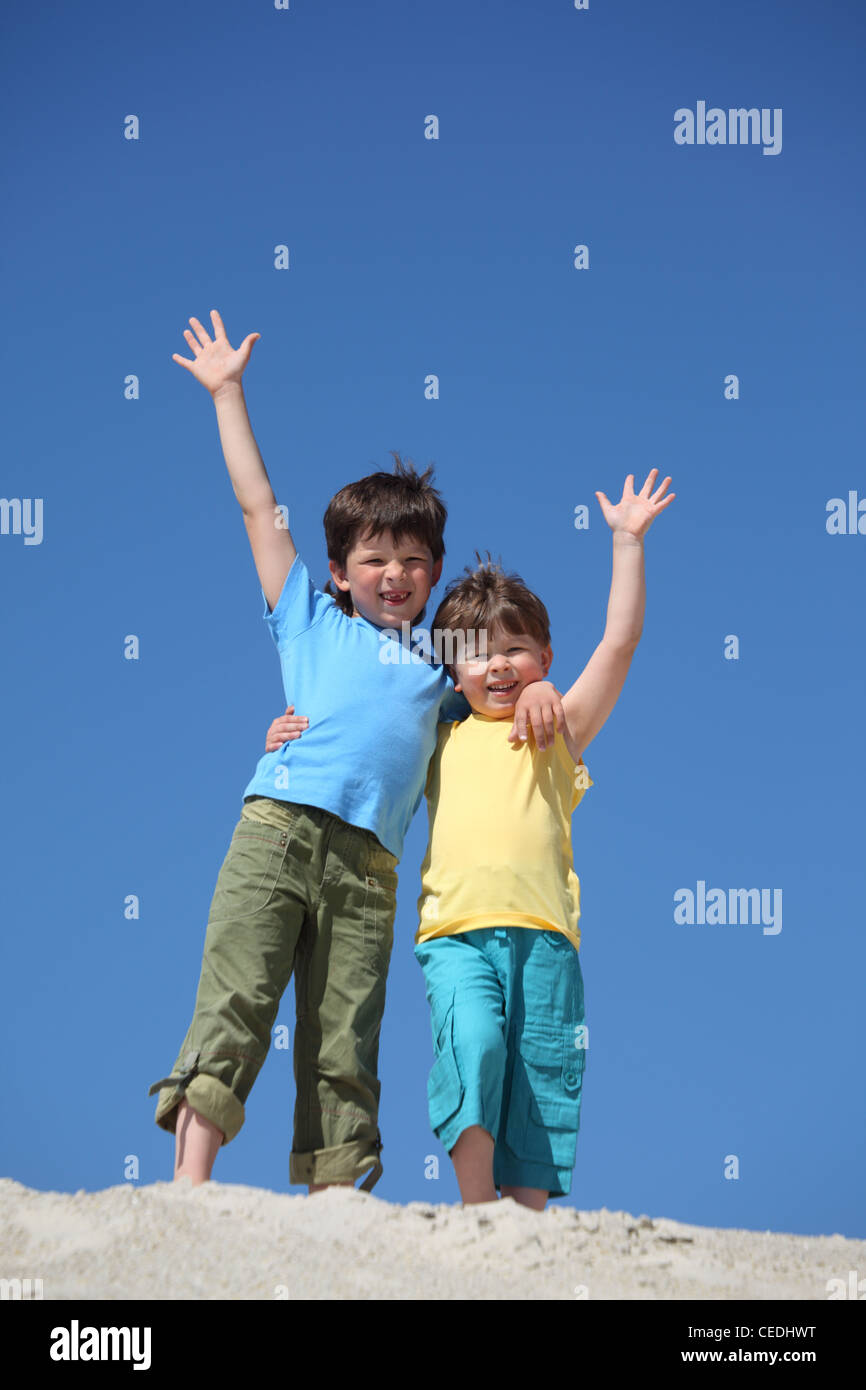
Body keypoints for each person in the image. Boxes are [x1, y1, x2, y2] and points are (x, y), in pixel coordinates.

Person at [148, 309, 559, 1194]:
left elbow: (499, 672)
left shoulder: (439, 662)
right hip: (280, 832)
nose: (395, 573)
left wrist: (537, 687)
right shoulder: (307, 617)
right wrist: (228, 393)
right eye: (374, 557)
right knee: (238, 994)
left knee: (346, 1035)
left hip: (369, 867)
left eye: (415, 558)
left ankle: (336, 1197)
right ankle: (189, 1182)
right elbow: (259, 505)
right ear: (340, 570)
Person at [266, 469, 675, 1207]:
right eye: (481, 653)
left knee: (538, 1080)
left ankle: (520, 1231)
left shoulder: (558, 731)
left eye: (517, 651)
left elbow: (620, 642)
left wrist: (626, 543)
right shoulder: (436, 728)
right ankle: (476, 1211)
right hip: (455, 934)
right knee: (476, 1050)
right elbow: (367, 727)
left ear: (545, 660)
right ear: (452, 666)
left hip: (548, 940)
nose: (500, 666)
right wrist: (285, 735)